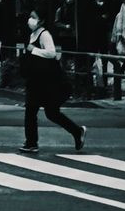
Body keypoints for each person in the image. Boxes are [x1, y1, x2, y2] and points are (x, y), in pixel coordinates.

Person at [19, 12, 84, 152]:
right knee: (47, 112)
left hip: (46, 81)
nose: (30, 20)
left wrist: (34, 50)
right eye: (30, 17)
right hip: (37, 80)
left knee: (38, 111)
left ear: (41, 21)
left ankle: (31, 143)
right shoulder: (33, 35)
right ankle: (77, 131)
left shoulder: (44, 35)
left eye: (34, 17)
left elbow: (52, 53)